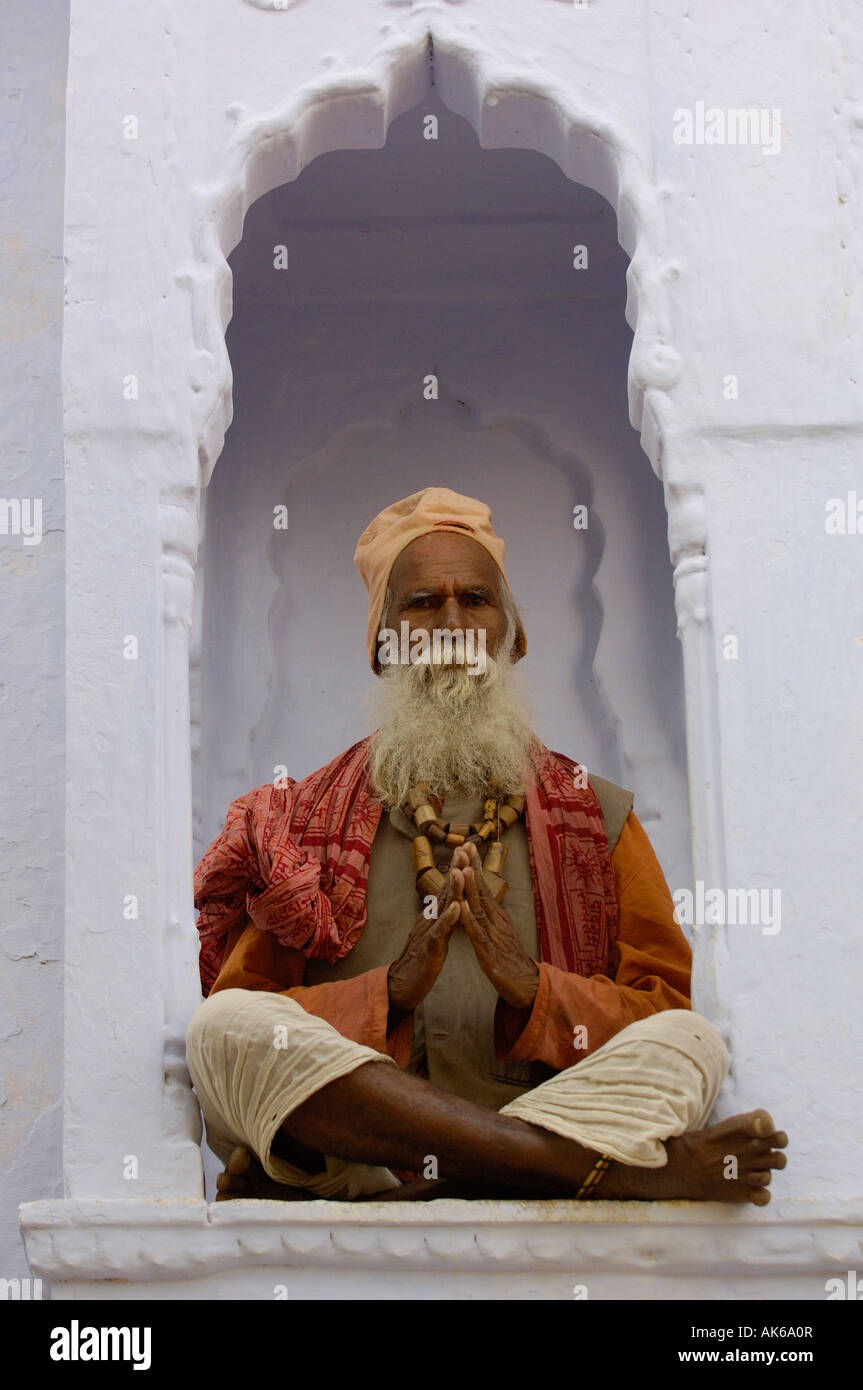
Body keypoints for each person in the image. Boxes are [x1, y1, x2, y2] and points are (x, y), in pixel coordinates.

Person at [187, 487, 787, 1203]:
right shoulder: (300, 822)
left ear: (513, 636)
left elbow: (659, 1009)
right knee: (223, 1029)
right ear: (382, 644)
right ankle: (585, 1174)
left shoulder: (596, 817)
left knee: (690, 1047)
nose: (450, 623)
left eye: (474, 599)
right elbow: (251, 1010)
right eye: (419, 604)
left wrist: (535, 990)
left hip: (554, 1115)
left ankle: (474, 1174)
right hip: (362, 1160)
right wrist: (386, 993)